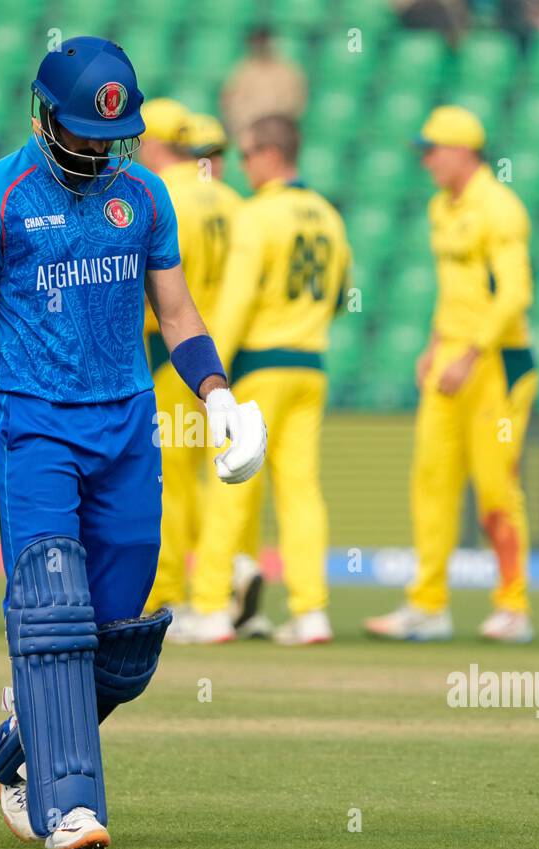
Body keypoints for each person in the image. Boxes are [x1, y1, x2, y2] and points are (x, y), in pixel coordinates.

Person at [0, 37, 266, 849]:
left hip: (128, 424)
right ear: (44, 119)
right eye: (81, 134)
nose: (97, 149)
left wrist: (219, 400)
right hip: (34, 422)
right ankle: (67, 803)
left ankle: (17, 741)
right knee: (53, 610)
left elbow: (175, 313)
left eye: (111, 137)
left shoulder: (143, 195)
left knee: (120, 634)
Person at [174, 114, 351, 647]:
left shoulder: (257, 216)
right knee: (301, 493)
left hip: (257, 368)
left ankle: (209, 608)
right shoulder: (328, 216)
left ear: (270, 155)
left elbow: (236, 301)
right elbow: (341, 297)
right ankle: (311, 610)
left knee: (230, 485)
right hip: (310, 366)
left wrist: (211, 376)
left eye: (248, 155)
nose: (244, 167)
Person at [364, 106, 537, 645]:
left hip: (496, 363)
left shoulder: (500, 208)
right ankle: (429, 604)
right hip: (452, 358)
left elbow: (515, 294)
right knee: (432, 483)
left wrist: (470, 354)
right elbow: (454, 289)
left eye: (433, 151)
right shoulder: (443, 206)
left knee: (494, 489)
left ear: (463, 151)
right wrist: (436, 346)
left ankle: (513, 607)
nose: (427, 161)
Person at [135, 99, 247, 636]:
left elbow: (153, 294)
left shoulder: (161, 197)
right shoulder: (232, 200)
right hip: (225, 360)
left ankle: (172, 596)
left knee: (171, 481)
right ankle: (221, 590)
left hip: (174, 360)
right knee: (224, 476)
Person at [219, 25, 307, 138]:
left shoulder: (287, 71)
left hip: (277, 131)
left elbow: (295, 104)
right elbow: (229, 102)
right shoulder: (242, 71)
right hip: (248, 130)